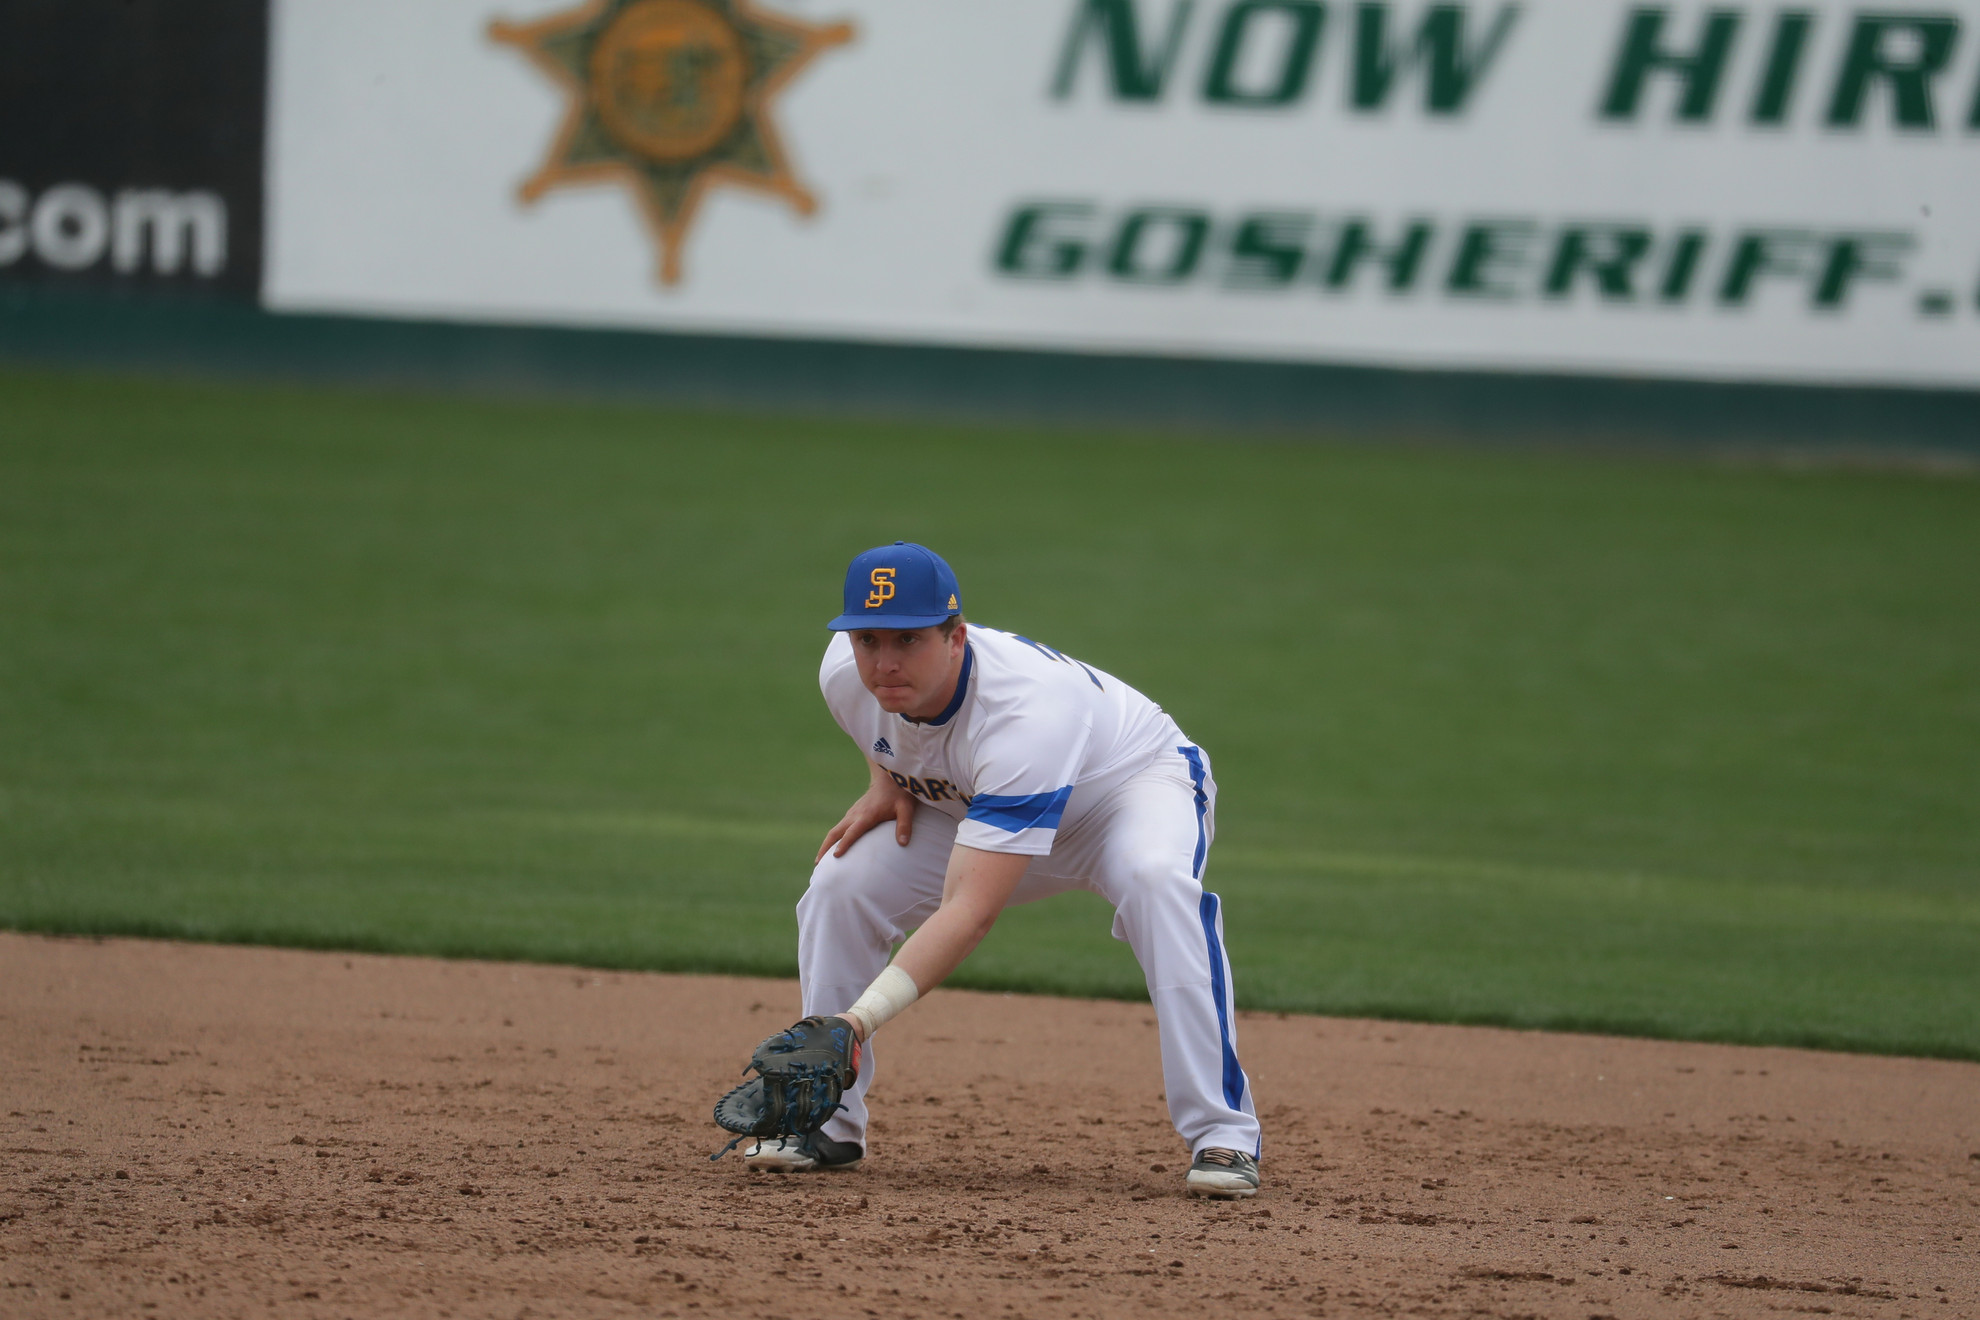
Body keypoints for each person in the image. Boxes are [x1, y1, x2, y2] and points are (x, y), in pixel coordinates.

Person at [744, 542, 1261, 1198]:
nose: (884, 661)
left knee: (1157, 883)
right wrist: (885, 780)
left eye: (908, 639)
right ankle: (823, 1124)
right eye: (867, 638)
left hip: (1127, 794)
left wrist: (854, 1023)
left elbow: (969, 909)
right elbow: (885, 731)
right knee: (839, 886)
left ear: (956, 636)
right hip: (983, 807)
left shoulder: (1026, 710)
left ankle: (1224, 1134)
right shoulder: (843, 674)